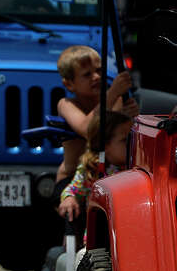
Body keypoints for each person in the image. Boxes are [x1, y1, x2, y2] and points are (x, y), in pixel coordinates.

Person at [55, 45, 139, 183]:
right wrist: (112, 93)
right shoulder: (66, 104)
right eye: (87, 74)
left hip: (107, 176)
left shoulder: (116, 101)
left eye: (99, 70)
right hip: (73, 180)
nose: (96, 77)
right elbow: (87, 130)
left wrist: (130, 116)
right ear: (69, 84)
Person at [57, 109, 132, 227]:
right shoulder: (92, 168)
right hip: (97, 238)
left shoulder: (134, 168)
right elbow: (72, 190)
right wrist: (69, 198)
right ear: (105, 145)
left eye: (133, 138)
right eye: (125, 140)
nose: (131, 144)